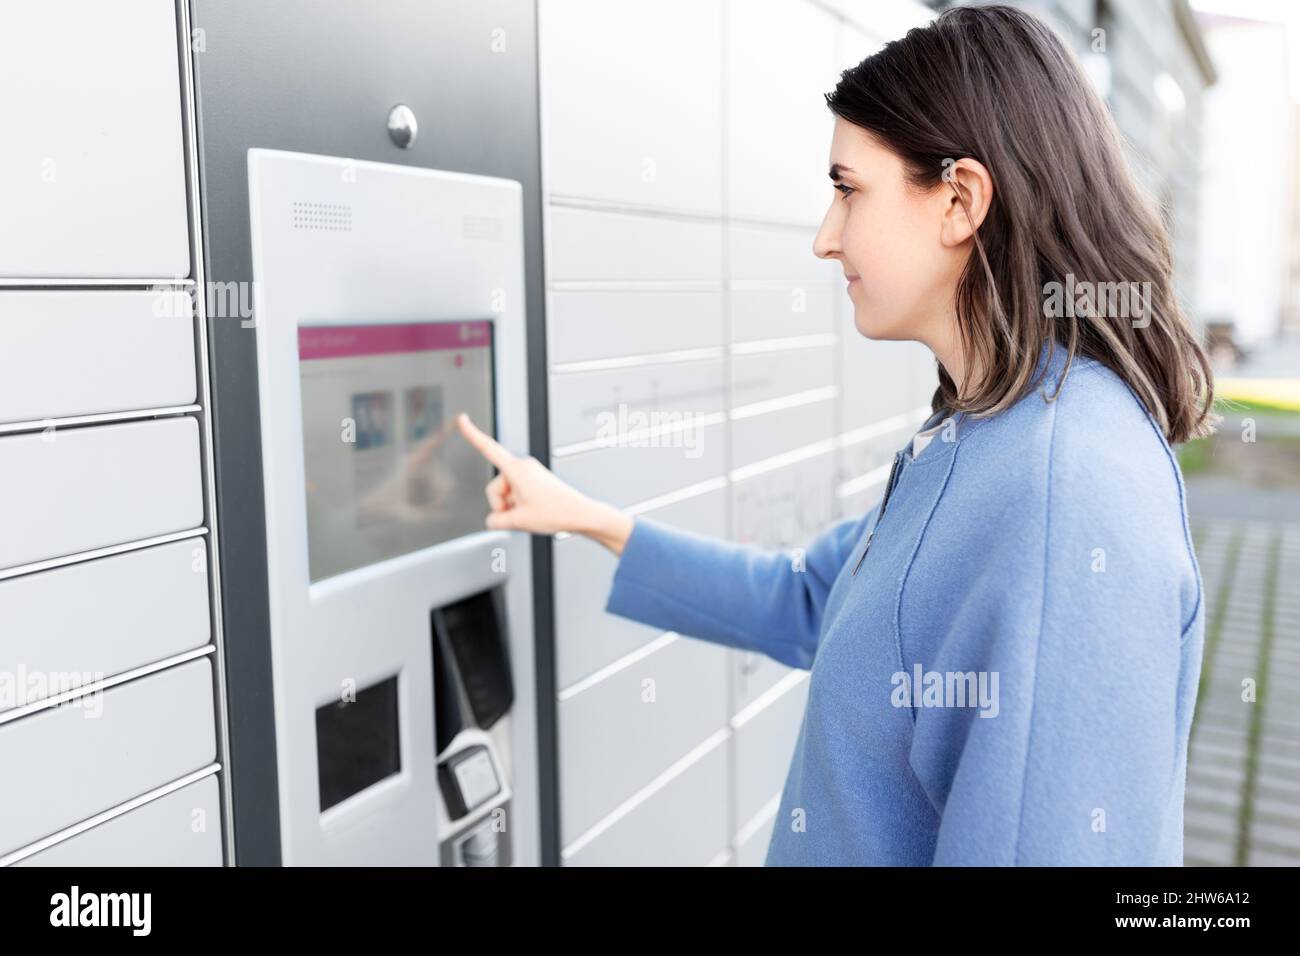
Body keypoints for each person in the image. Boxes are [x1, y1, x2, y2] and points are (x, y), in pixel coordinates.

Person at [457, 4, 1215, 865]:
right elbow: (816, 603)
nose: (825, 238)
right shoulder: (983, 431)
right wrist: (584, 516)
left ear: (960, 199)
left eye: (848, 189)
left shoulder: (1061, 495)